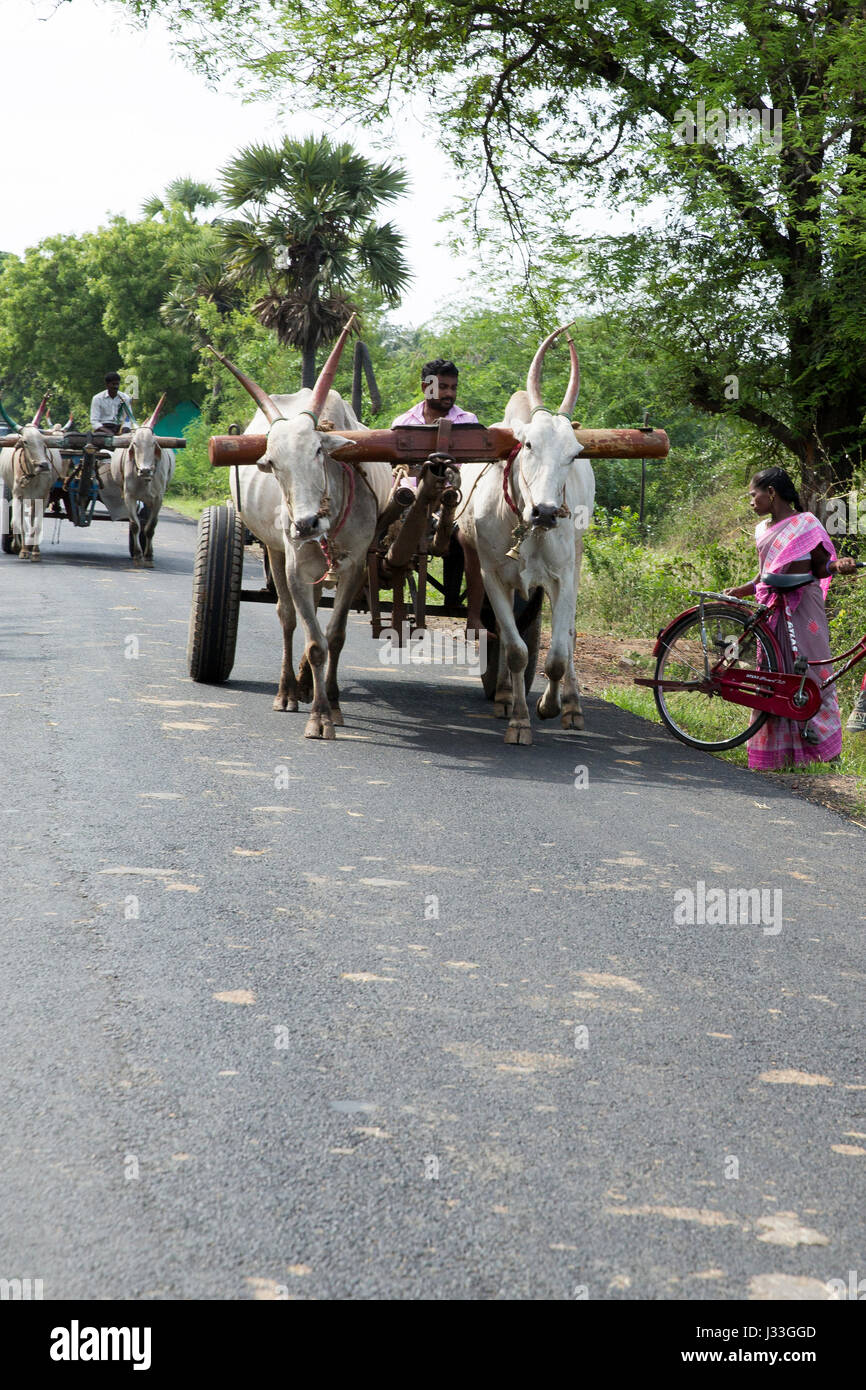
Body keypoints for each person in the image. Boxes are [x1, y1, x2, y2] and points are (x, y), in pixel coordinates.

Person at [725, 466, 857, 769]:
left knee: (813, 675)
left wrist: (840, 566)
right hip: (771, 609)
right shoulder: (762, 530)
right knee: (773, 676)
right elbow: (764, 575)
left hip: (803, 609)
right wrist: (742, 590)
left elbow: (822, 565)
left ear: (771, 493)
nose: (751, 501)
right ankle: (776, 757)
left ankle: (823, 752)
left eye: (753, 494)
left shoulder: (806, 524)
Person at [391, 359, 485, 635]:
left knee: (472, 542)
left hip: (454, 506)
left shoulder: (469, 423)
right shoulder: (403, 423)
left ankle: (474, 618)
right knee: (377, 532)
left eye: (453, 387)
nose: (449, 394)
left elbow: (474, 471)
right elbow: (393, 470)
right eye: (442, 386)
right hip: (408, 506)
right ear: (425, 387)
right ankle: (384, 599)